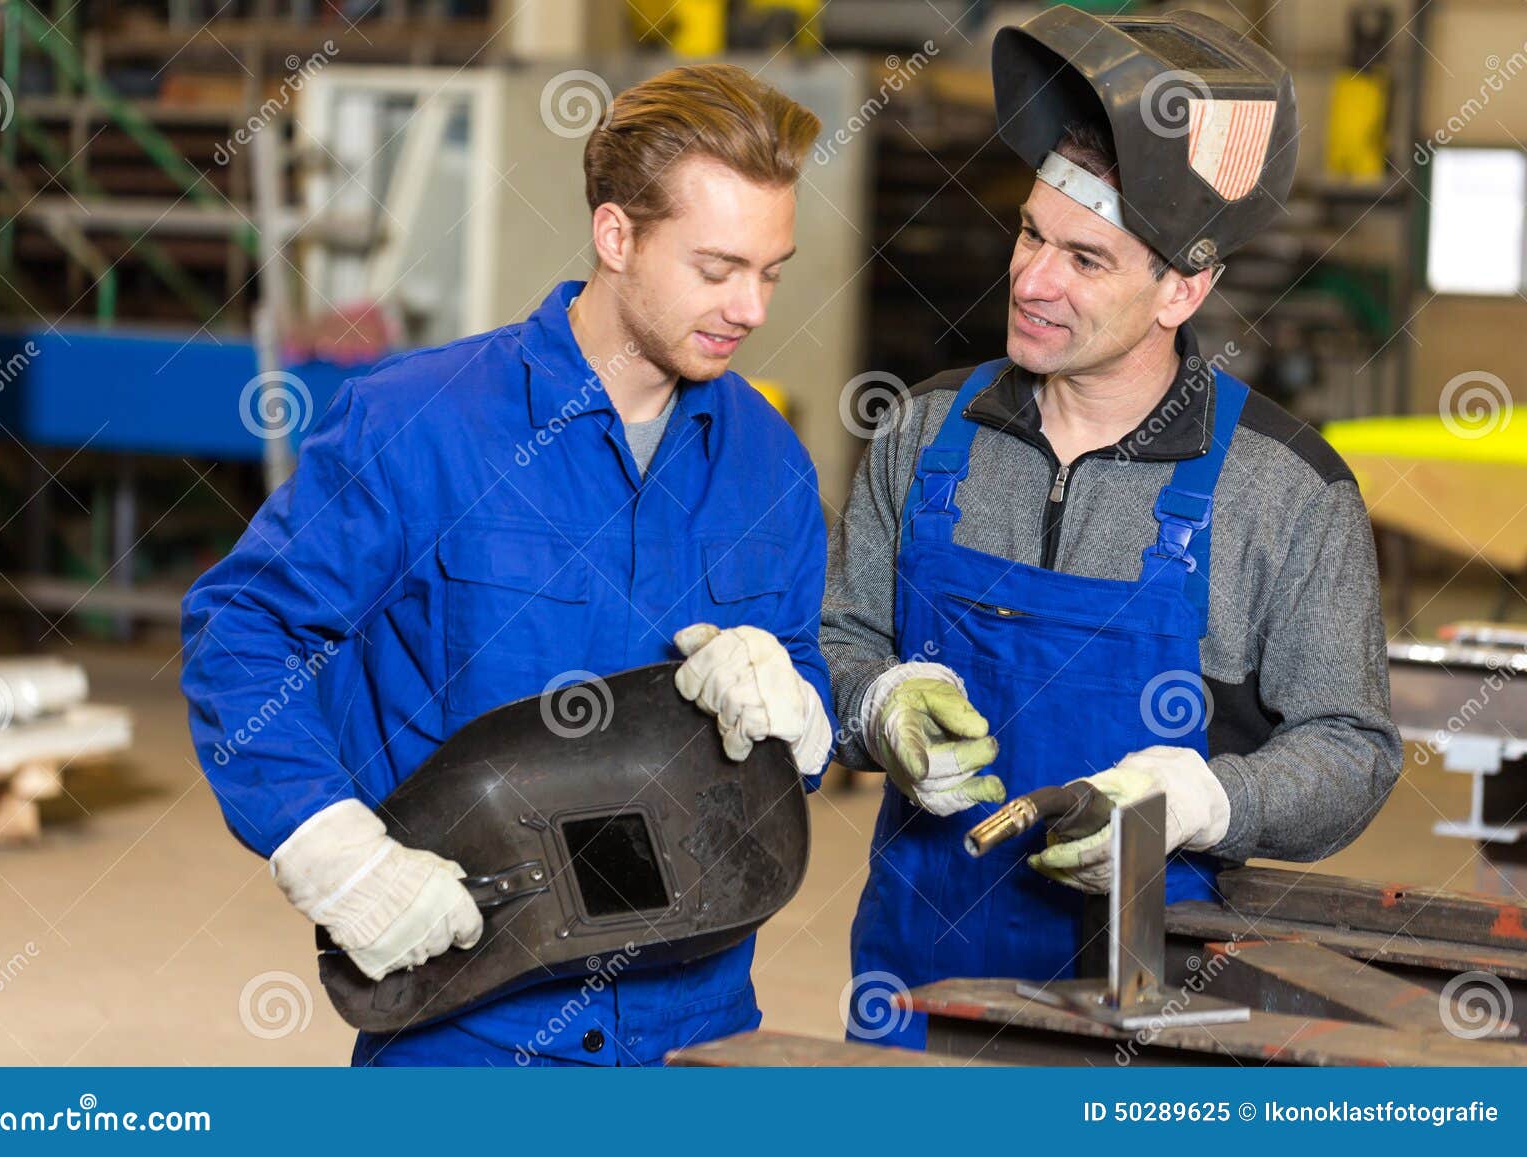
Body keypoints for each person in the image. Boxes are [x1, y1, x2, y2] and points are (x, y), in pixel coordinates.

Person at [181, 63, 835, 1066]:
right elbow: (243, 631)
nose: (749, 307)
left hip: (696, 1027)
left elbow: (798, 666)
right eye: (716, 269)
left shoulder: (767, 461)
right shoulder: (421, 423)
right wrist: (327, 844)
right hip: (470, 1023)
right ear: (616, 236)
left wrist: (799, 710)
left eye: (771, 272)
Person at [821, 6, 1400, 1047]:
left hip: (1147, 1019)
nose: (1032, 280)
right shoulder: (921, 433)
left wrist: (1209, 799)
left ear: (1183, 287)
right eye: (1031, 234)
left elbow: (1351, 750)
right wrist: (874, 702)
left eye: (1085, 259)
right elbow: (836, 639)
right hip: (913, 997)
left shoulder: (1286, 492)